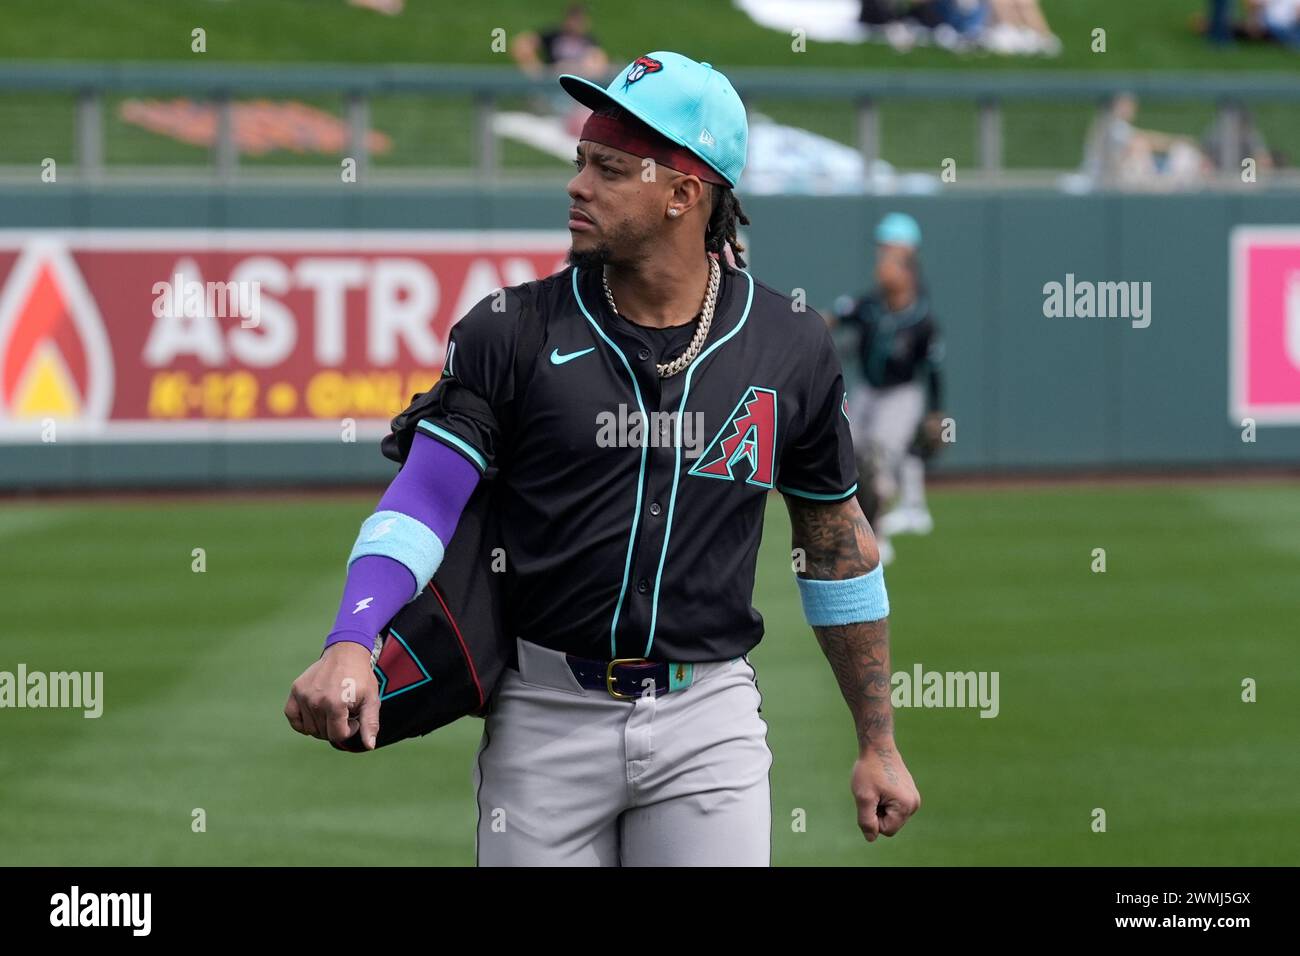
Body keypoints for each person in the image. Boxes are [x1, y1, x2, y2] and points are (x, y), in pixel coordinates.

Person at [285, 51, 920, 866]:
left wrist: (879, 742)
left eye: (609, 169)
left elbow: (835, 543)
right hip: (545, 716)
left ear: (684, 195)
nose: (577, 185)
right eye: (580, 160)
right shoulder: (510, 329)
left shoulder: (790, 347)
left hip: (709, 721)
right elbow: (425, 497)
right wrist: (352, 637)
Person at [832, 213, 945, 566]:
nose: (882, 264)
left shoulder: (921, 317)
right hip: (868, 390)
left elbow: (934, 368)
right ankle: (856, 524)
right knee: (848, 451)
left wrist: (937, 411)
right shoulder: (870, 305)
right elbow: (833, 318)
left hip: (900, 394)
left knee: (880, 459)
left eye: (890, 259)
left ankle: (878, 534)